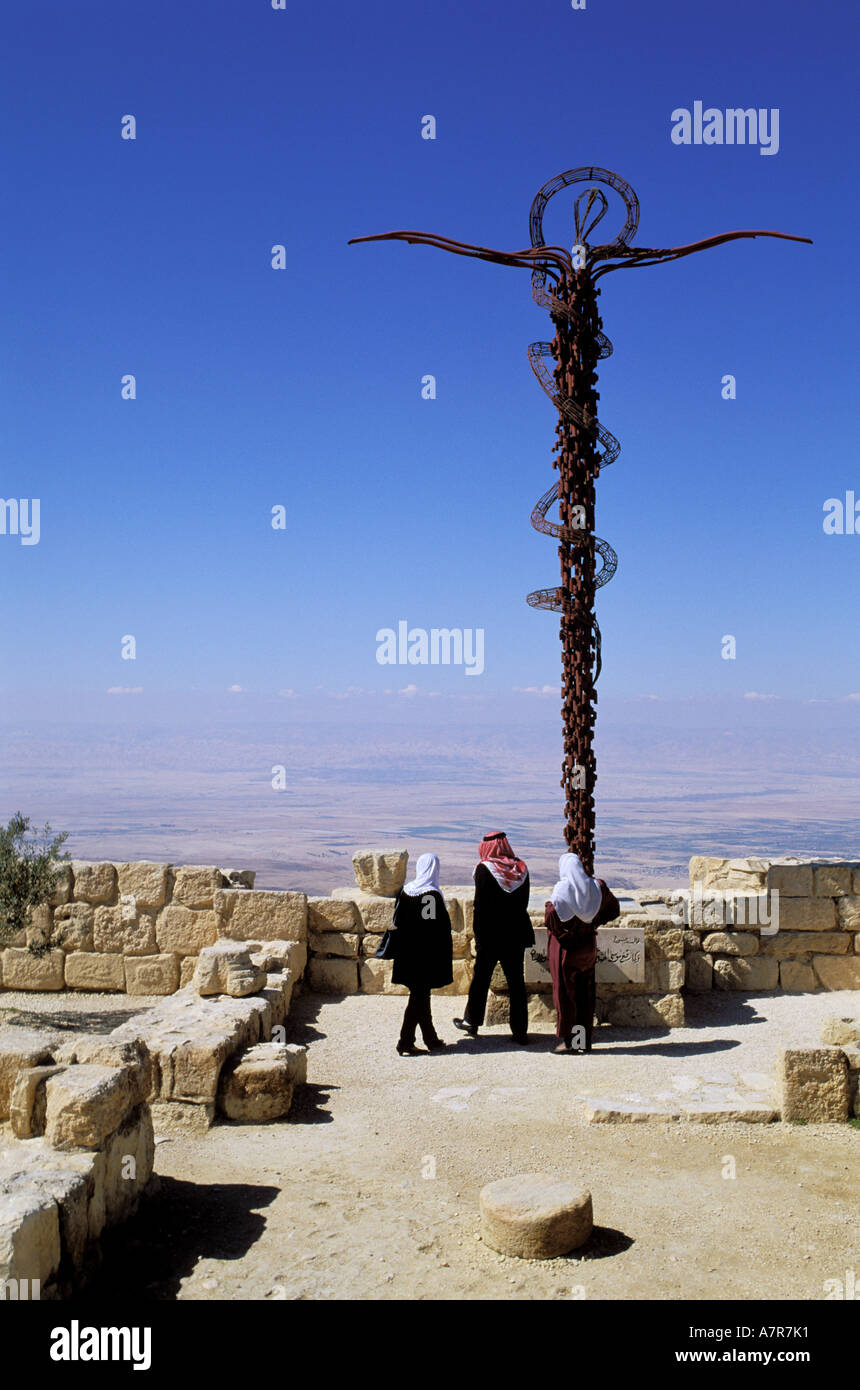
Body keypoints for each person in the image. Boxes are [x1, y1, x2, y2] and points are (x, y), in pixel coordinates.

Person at [454, 831, 533, 1045]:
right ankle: (520, 1031)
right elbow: (523, 903)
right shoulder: (521, 869)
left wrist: (479, 936)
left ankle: (471, 1021)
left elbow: (480, 907)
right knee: (516, 982)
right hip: (516, 934)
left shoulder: (484, 869)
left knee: (481, 979)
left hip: (490, 935)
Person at [545, 852, 620, 1054]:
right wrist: (593, 922)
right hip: (588, 947)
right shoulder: (598, 887)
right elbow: (613, 909)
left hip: (565, 951)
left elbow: (551, 917)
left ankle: (569, 1042)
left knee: (565, 995)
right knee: (584, 995)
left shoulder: (561, 891)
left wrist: (565, 935)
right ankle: (583, 1040)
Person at [388, 852, 453, 1056]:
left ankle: (431, 1039)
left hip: (406, 954)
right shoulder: (431, 896)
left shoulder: (406, 891)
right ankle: (404, 1041)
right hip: (424, 956)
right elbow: (434, 927)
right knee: (418, 998)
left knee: (421, 997)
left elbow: (398, 920)